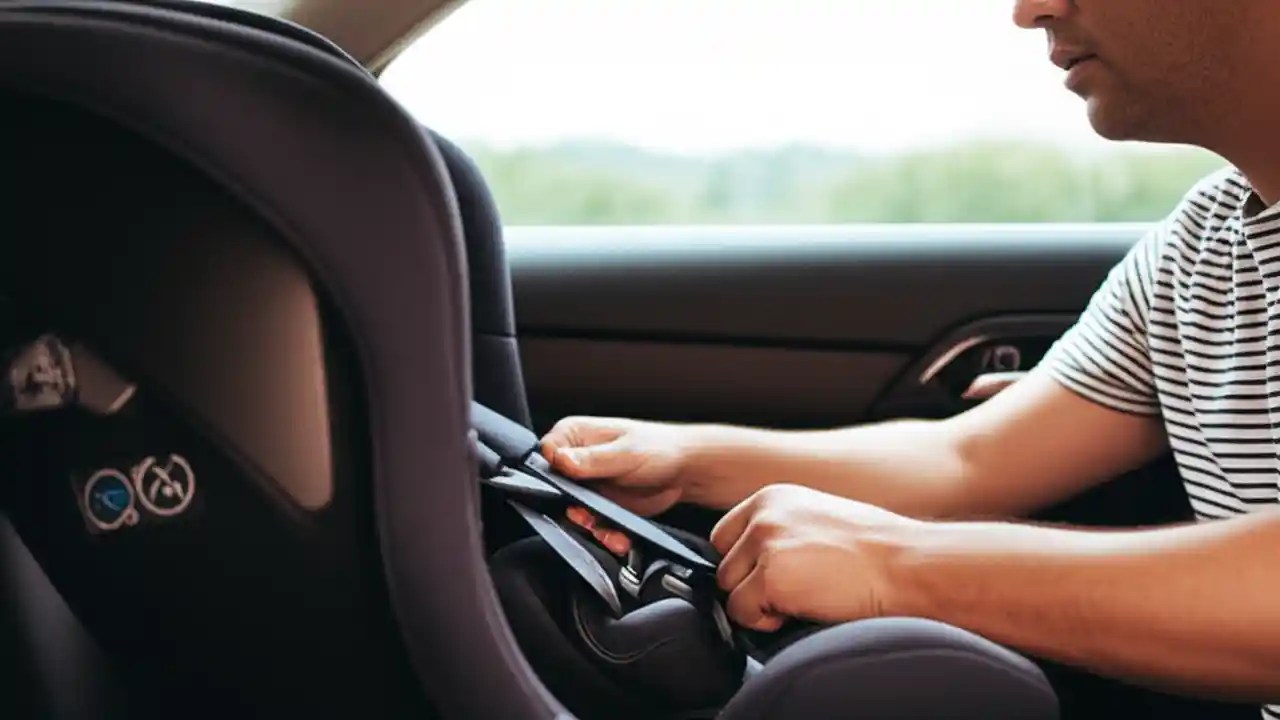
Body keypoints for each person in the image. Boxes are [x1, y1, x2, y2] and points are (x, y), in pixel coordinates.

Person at [539, 1, 1280, 717]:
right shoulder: (1200, 247)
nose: (1030, 9)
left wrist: (897, 565)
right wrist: (686, 461)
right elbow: (968, 458)